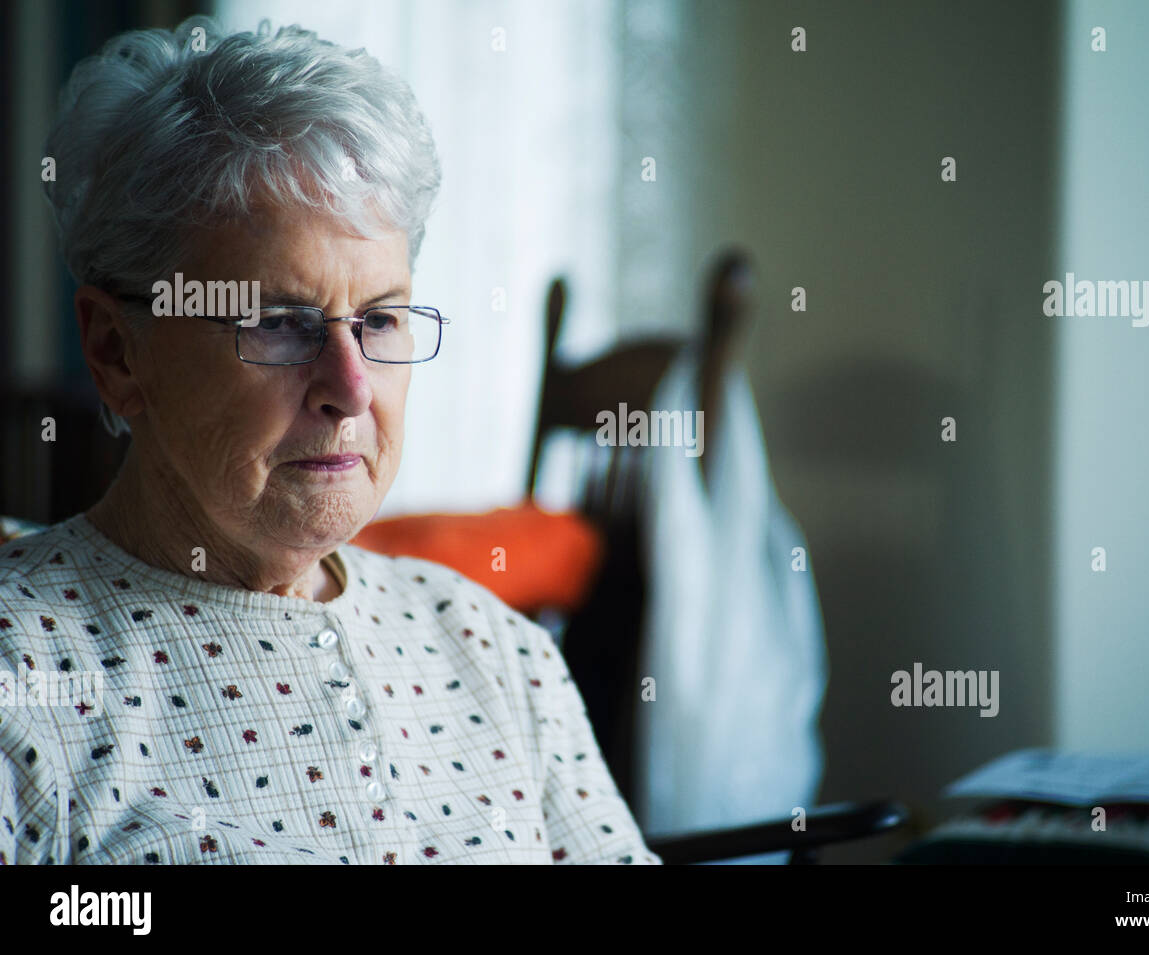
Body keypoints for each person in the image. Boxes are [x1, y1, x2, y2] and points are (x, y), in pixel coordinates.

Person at [0, 16, 659, 865]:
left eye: (380, 319)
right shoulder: (26, 668)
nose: (351, 387)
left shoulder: (496, 649)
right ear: (118, 351)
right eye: (280, 323)